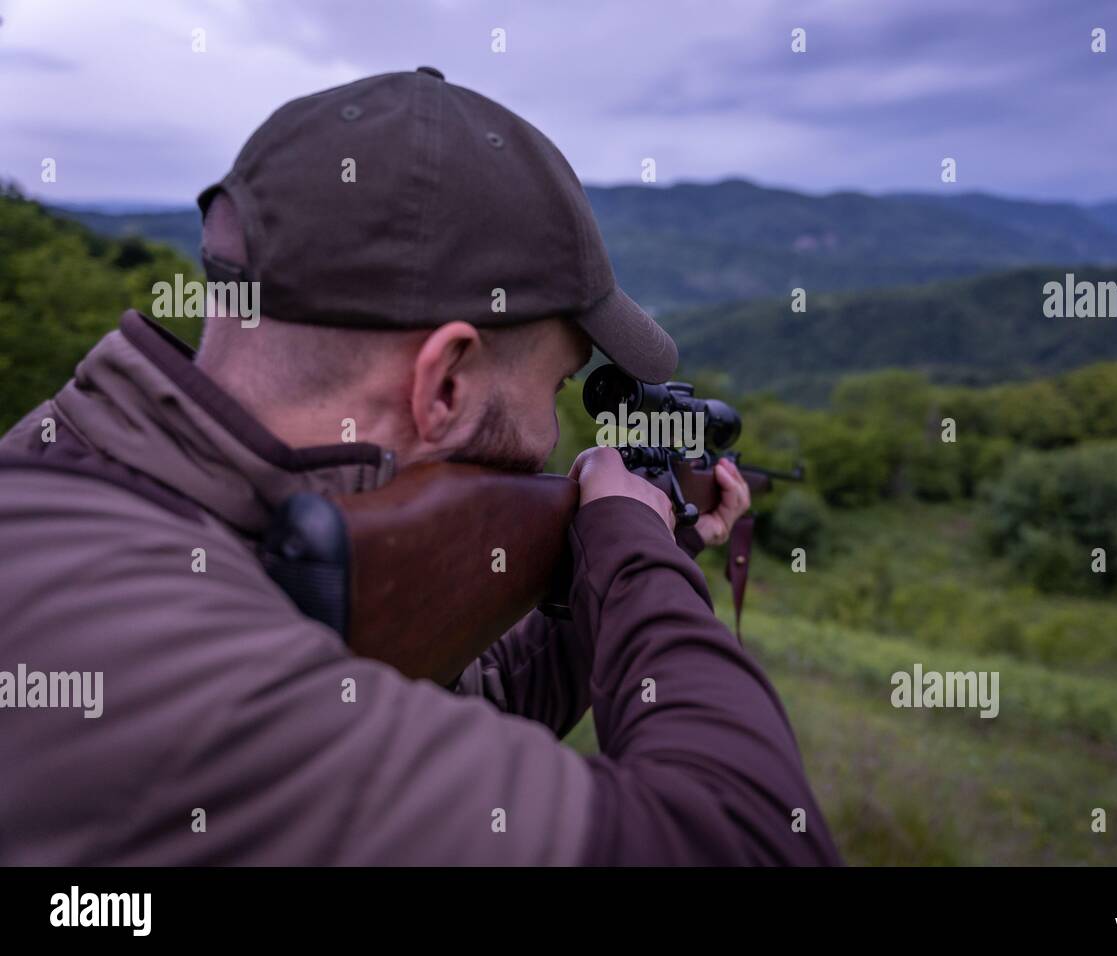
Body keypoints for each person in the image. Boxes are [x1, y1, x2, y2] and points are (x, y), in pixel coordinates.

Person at [0, 68, 840, 865]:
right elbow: (749, 841)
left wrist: (616, 562)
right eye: (555, 385)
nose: (556, 433)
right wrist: (631, 549)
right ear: (442, 383)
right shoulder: (146, 652)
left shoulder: (139, 500)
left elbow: (451, 703)